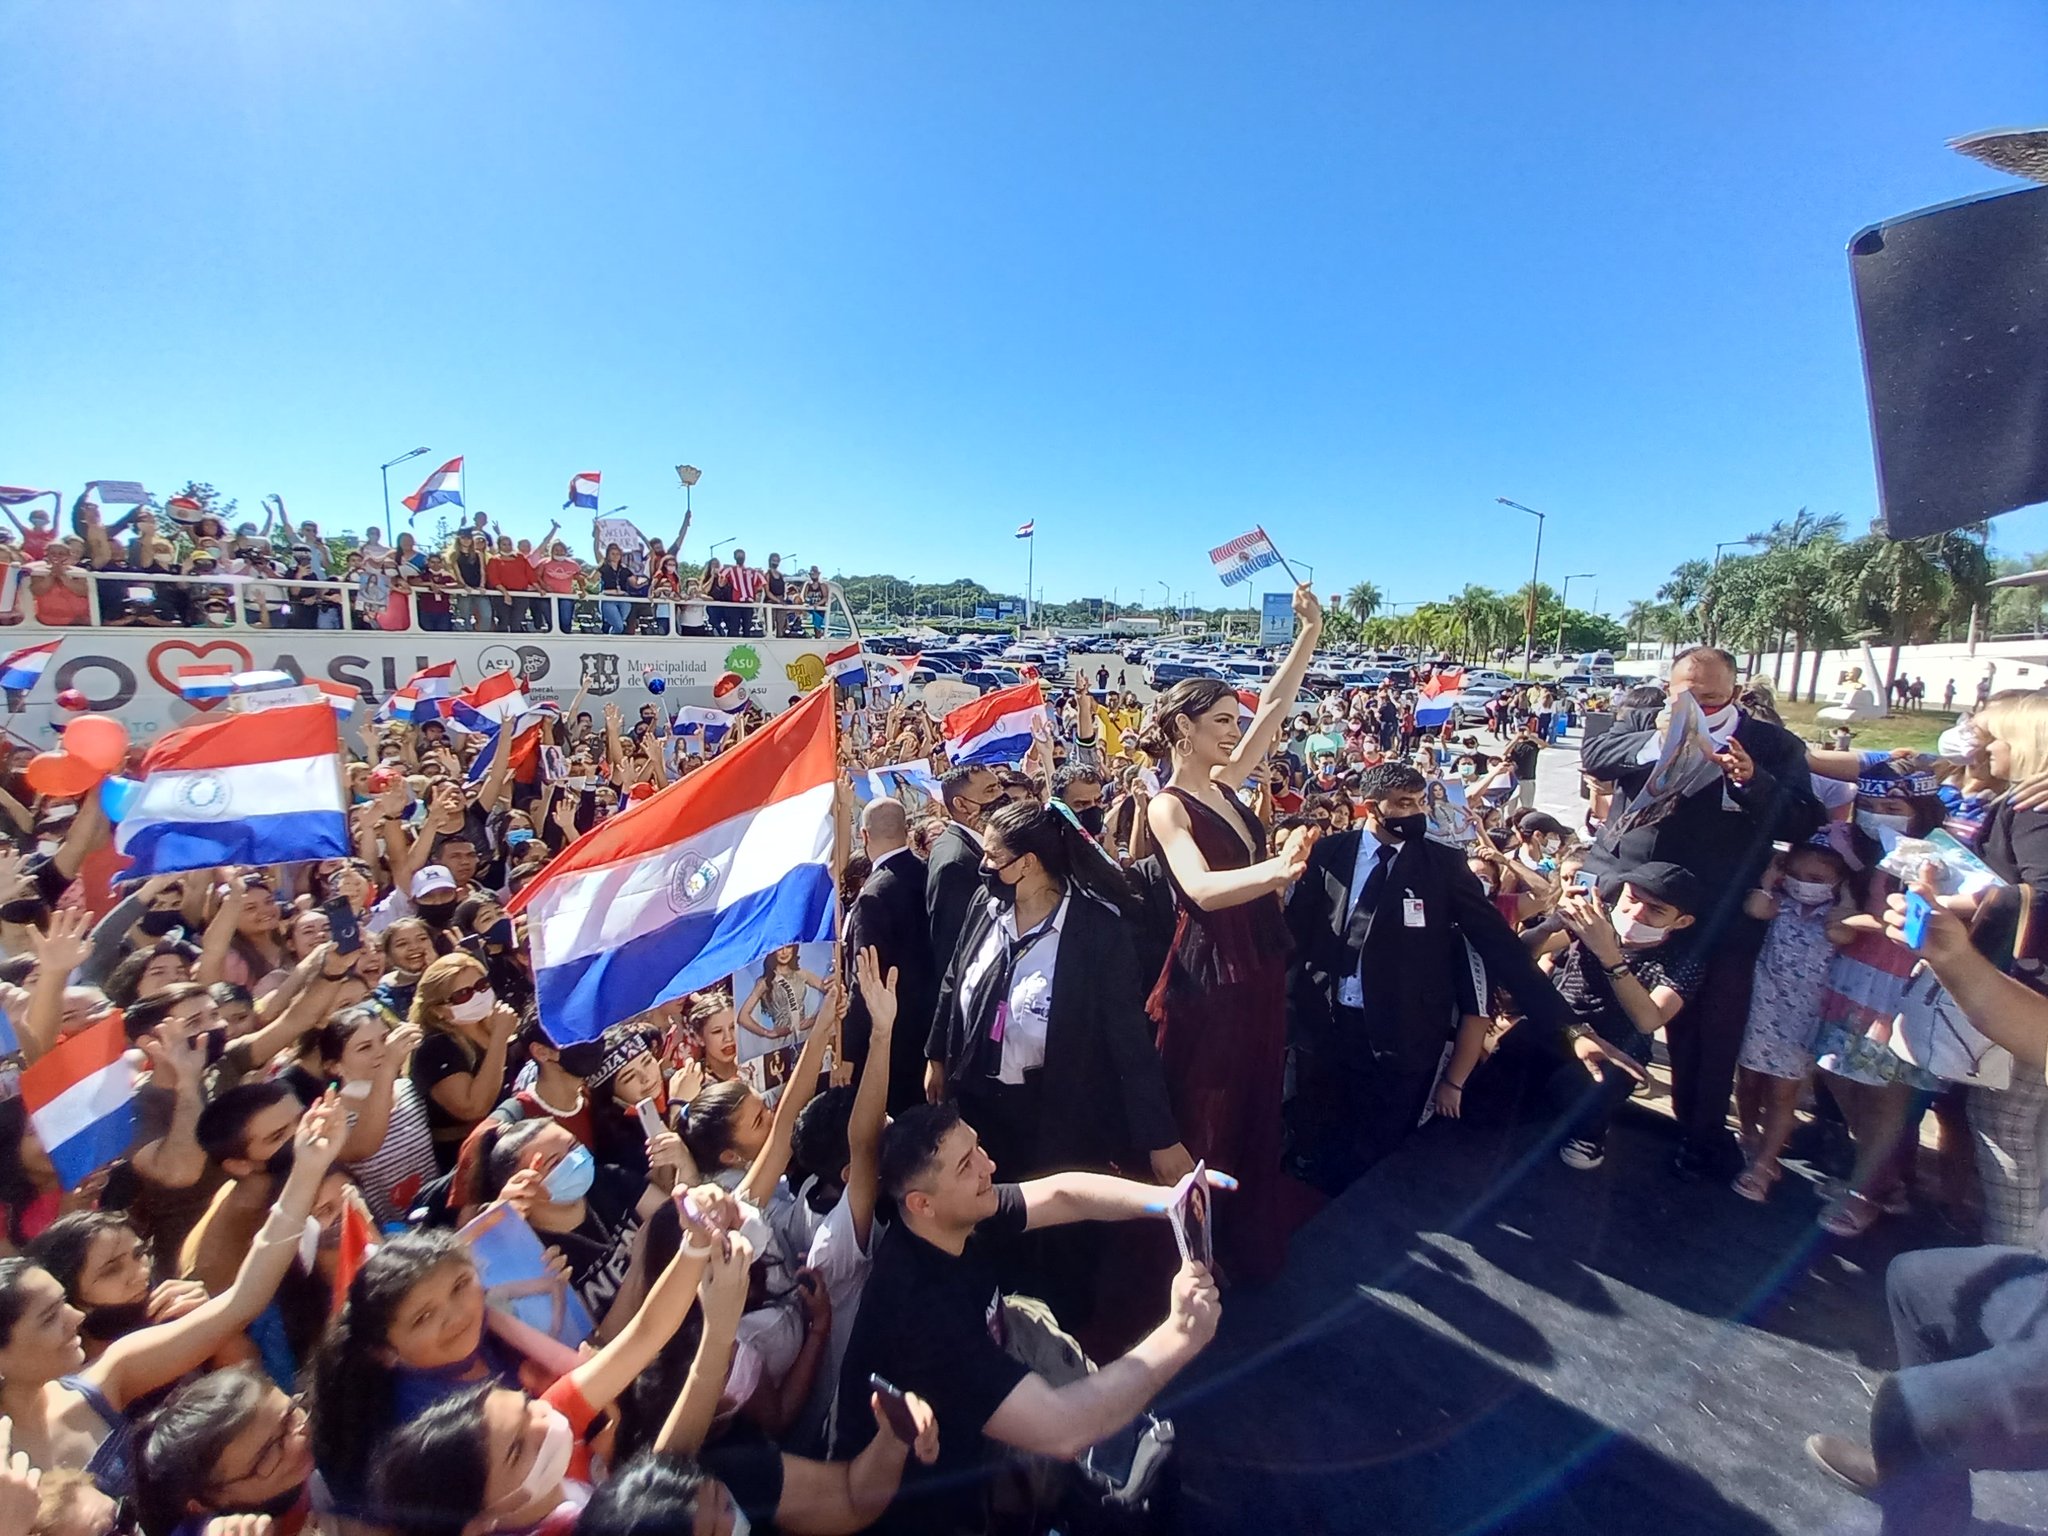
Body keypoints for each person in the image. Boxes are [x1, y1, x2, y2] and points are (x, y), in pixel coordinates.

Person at [835, 1103, 1222, 1533]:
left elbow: (1061, 1195)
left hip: (969, 1454)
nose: (989, 1165)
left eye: (977, 1147)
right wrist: (1180, 1336)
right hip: (917, 1511)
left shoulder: (957, 1213)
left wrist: (1168, 1201)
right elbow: (1061, 1428)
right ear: (921, 1203)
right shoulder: (921, 1313)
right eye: (967, 1165)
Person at [925, 798, 1189, 1319]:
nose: (983, 867)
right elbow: (954, 980)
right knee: (985, 1220)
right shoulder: (986, 906)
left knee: (1056, 1238)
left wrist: (1161, 1137)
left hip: (1056, 1112)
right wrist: (937, 1055)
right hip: (980, 1105)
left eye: (993, 857)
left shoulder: (1097, 932)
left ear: (1028, 863)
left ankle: (1060, 1327)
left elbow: (1128, 1043)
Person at [1286, 762, 1593, 1188]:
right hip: (1328, 1021)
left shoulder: (1443, 866)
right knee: (1322, 1117)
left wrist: (1569, 1027)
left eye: (1419, 802)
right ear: (1372, 808)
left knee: (1382, 1135)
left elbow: (1499, 945)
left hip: (1401, 1030)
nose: (1416, 813)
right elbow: (1296, 932)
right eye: (1405, 804)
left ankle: (1367, 1203)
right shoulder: (1329, 852)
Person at [1578, 644, 1821, 1180]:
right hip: (1627, 896)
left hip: (1714, 914)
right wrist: (1656, 741)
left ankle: (1701, 1134)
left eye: (1709, 699)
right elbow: (1595, 757)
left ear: (1733, 694)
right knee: (1599, 1007)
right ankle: (1581, 1118)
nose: (1697, 707)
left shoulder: (1772, 744)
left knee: (1710, 1033)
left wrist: (1753, 780)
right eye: (1684, 695)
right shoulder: (1643, 718)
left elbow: (1803, 821)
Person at [843, 799, 937, 1112]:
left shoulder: (873, 896)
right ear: (907, 830)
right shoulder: (928, 873)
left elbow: (866, 979)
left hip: (892, 1038)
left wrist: (849, 1050)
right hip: (931, 1027)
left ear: (864, 835)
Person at [925, 764, 1002, 986]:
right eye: (990, 791)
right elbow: (953, 945)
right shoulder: (956, 862)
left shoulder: (969, 845)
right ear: (961, 804)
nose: (1001, 796)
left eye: (998, 787)